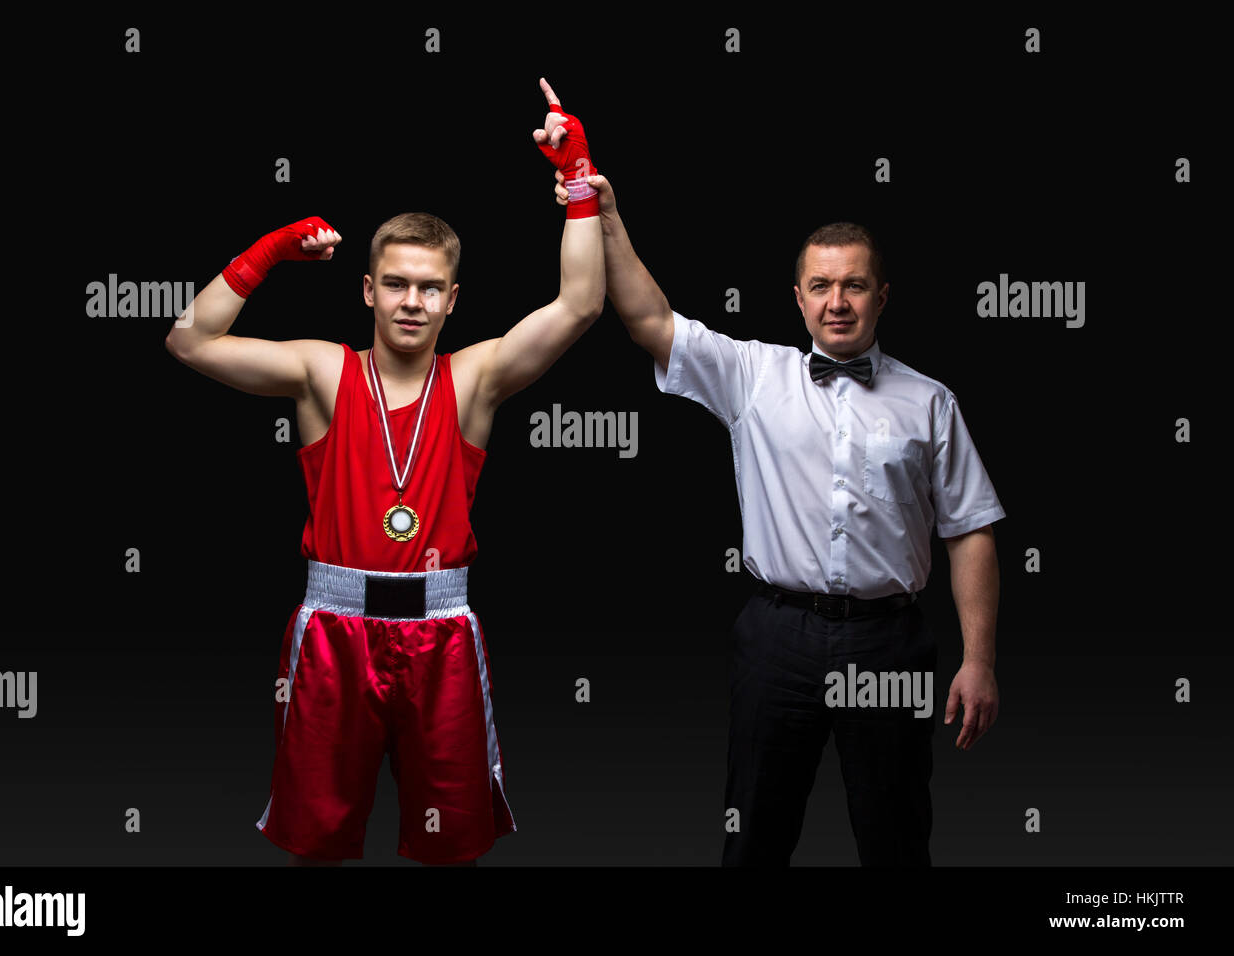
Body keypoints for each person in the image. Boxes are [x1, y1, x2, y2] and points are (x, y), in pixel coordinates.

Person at [165, 78, 603, 866]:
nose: (411, 301)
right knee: (320, 841)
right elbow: (188, 341)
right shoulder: (322, 373)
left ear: (452, 300)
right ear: (368, 289)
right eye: (396, 284)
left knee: (451, 845)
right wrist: (269, 252)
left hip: (442, 635)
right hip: (333, 631)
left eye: (429, 288)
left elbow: (579, 305)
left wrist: (578, 177)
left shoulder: (472, 380)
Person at [550, 171, 1004, 866]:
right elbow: (648, 319)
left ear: (881, 297)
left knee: (898, 838)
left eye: (854, 285)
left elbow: (970, 531)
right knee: (755, 835)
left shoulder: (931, 402)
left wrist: (979, 661)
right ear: (798, 299)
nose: (838, 301)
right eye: (821, 286)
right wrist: (603, 211)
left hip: (889, 642)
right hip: (776, 639)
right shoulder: (754, 375)